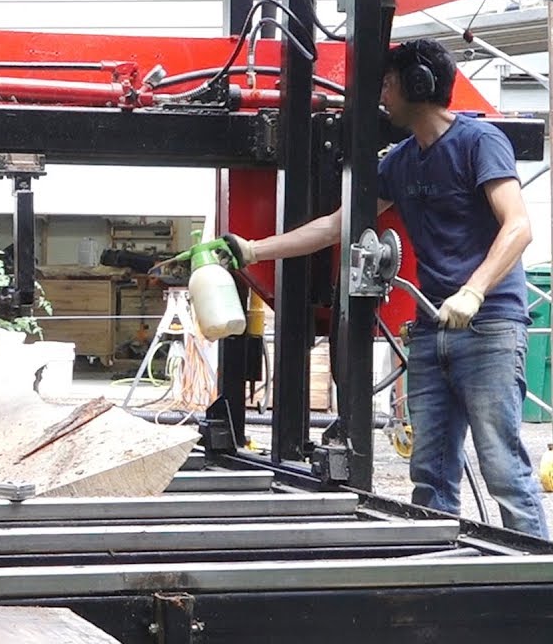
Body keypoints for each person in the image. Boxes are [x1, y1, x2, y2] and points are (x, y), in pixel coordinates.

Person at [221, 38, 548, 539]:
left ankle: (534, 588)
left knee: (503, 470)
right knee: (430, 478)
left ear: (418, 84)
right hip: (432, 330)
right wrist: (254, 250)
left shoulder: (480, 142)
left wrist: (475, 290)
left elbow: (519, 227)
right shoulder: (400, 161)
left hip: (489, 329)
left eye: (389, 82)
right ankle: (441, 579)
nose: (383, 94)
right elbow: (337, 226)